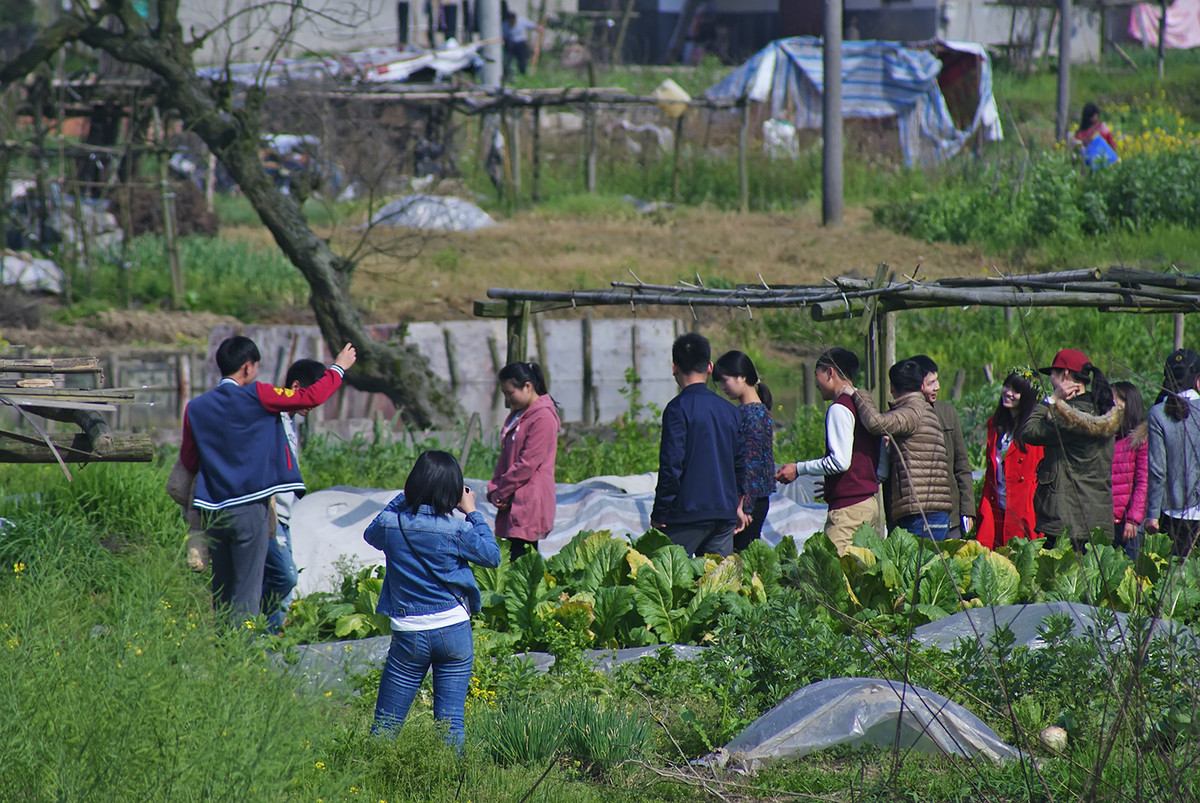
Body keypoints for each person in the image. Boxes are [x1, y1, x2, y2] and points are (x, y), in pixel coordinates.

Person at [181, 336, 356, 623]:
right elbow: (309, 397)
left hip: (212, 510)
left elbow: (189, 461)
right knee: (247, 592)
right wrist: (338, 367)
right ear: (248, 367)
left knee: (223, 589)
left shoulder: (196, 407)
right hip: (249, 508)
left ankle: (222, 646)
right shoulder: (259, 395)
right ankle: (245, 648)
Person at [364, 451, 500, 746]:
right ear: (453, 491)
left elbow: (370, 534)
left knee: (386, 724)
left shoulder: (391, 524)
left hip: (409, 633)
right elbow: (492, 557)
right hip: (454, 630)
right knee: (450, 724)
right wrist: (472, 512)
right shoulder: (459, 529)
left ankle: (369, 771)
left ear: (413, 483)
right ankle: (451, 774)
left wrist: (404, 498)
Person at [776, 348, 881, 555]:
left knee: (834, 569)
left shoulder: (839, 407)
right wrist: (844, 484)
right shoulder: (865, 407)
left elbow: (840, 462)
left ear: (830, 372)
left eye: (817, 373)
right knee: (862, 570)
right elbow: (877, 460)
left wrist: (798, 469)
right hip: (868, 503)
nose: (816, 382)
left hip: (849, 510)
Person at [651, 333, 748, 558]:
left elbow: (671, 467)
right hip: (723, 515)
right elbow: (740, 463)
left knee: (671, 576)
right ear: (710, 367)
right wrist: (738, 505)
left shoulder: (677, 409)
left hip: (685, 515)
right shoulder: (730, 410)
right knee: (718, 578)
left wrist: (660, 513)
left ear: (674, 368)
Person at [1020, 348, 1120, 550]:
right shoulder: (1102, 410)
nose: (1050, 381)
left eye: (1052, 375)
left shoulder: (1068, 417)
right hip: (1097, 515)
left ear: (1065, 375)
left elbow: (1027, 431)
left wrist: (1052, 399)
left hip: (1067, 518)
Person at [852, 360, 953, 541]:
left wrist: (858, 394)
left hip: (921, 516)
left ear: (892, 387)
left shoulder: (912, 412)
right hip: (934, 513)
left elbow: (875, 423)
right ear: (921, 385)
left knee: (916, 561)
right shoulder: (925, 410)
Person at [261, 358, 327, 633]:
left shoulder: (289, 422)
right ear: (296, 387)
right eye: (311, 396)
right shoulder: (273, 417)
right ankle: (260, 630)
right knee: (285, 576)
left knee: (283, 589)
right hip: (271, 514)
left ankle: (268, 641)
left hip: (285, 516)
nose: (313, 405)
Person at [487, 361, 561, 563]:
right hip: (513, 498)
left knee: (522, 562)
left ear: (528, 386)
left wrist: (502, 491)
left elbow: (527, 464)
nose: (507, 399)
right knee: (516, 559)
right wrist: (495, 488)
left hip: (529, 500)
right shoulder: (518, 416)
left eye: (510, 393)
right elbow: (505, 458)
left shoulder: (543, 417)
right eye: (504, 394)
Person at [974, 369, 1044, 549]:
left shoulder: (1036, 429)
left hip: (1024, 507)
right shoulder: (995, 425)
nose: (1008, 393)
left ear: (1027, 396)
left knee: (1022, 556)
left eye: (1016, 390)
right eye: (1007, 387)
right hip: (995, 503)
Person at [713, 350, 775, 552]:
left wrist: (744, 506)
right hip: (749, 500)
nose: (723, 388)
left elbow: (751, 466)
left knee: (739, 557)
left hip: (749, 503)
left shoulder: (753, 414)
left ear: (742, 377)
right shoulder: (753, 411)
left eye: (725, 381)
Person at [910, 355, 975, 539]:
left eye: (937, 381)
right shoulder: (900, 417)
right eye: (931, 383)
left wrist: (967, 510)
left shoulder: (947, 413)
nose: (937, 387)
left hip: (950, 515)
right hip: (916, 517)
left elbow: (962, 466)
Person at [1146, 349, 1200, 559]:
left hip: (1171, 513)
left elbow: (1157, 470)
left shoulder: (1157, 413)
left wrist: (1152, 514)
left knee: (1173, 573)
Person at [1111, 381, 1148, 560]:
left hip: (1127, 523)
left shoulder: (1140, 439)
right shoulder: (1108, 436)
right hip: (1105, 520)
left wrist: (1133, 519)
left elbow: (1143, 482)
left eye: (1114, 400)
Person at [1074, 102, 1119, 167]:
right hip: (1099, 161)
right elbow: (1112, 146)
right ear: (1095, 115)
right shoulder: (1101, 128)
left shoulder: (1080, 133)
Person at [502, 6, 538, 77]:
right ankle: (508, 77)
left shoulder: (522, 21)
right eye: (510, 21)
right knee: (506, 62)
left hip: (521, 43)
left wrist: (538, 28)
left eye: (513, 20)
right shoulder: (505, 25)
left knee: (522, 62)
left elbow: (531, 25)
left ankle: (523, 75)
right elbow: (503, 36)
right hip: (510, 44)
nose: (512, 22)